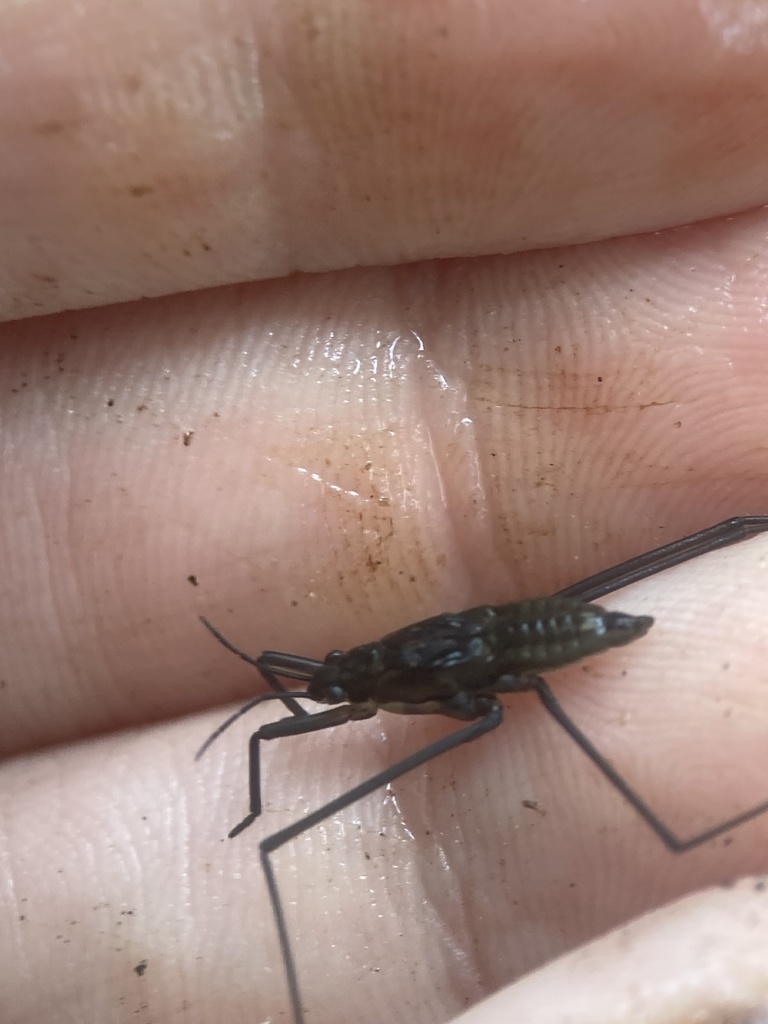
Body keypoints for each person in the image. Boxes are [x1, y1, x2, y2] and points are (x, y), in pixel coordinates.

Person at [3, 2, 768, 1022]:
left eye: (325, 685)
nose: (312, 691)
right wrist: (302, 720)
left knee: (725, 534)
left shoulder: (360, 683)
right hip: (501, 645)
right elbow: (278, 703)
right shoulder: (352, 677)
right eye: (323, 687)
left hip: (524, 647)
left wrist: (337, 692)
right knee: (287, 772)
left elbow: (296, 697)